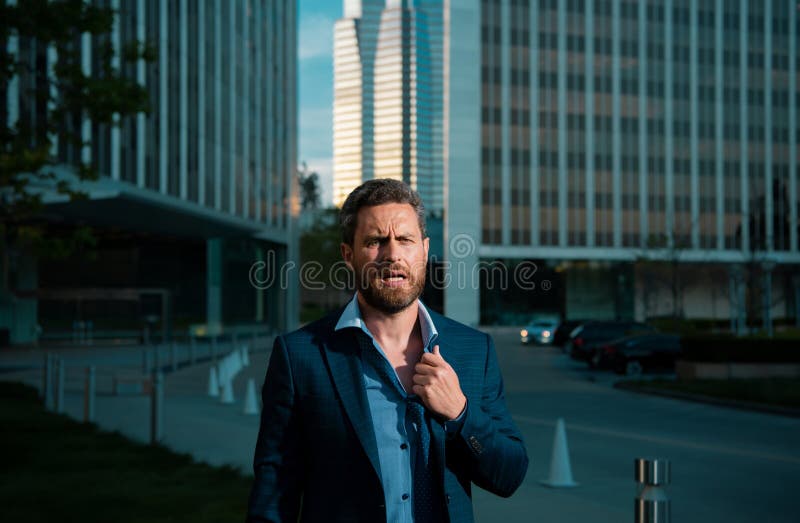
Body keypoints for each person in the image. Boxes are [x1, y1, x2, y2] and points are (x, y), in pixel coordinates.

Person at [247, 179, 528, 523]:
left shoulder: (473, 350)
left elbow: (509, 475)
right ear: (348, 255)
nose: (392, 254)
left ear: (424, 250)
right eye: (375, 241)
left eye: (405, 240)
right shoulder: (299, 356)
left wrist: (460, 414)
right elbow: (273, 494)